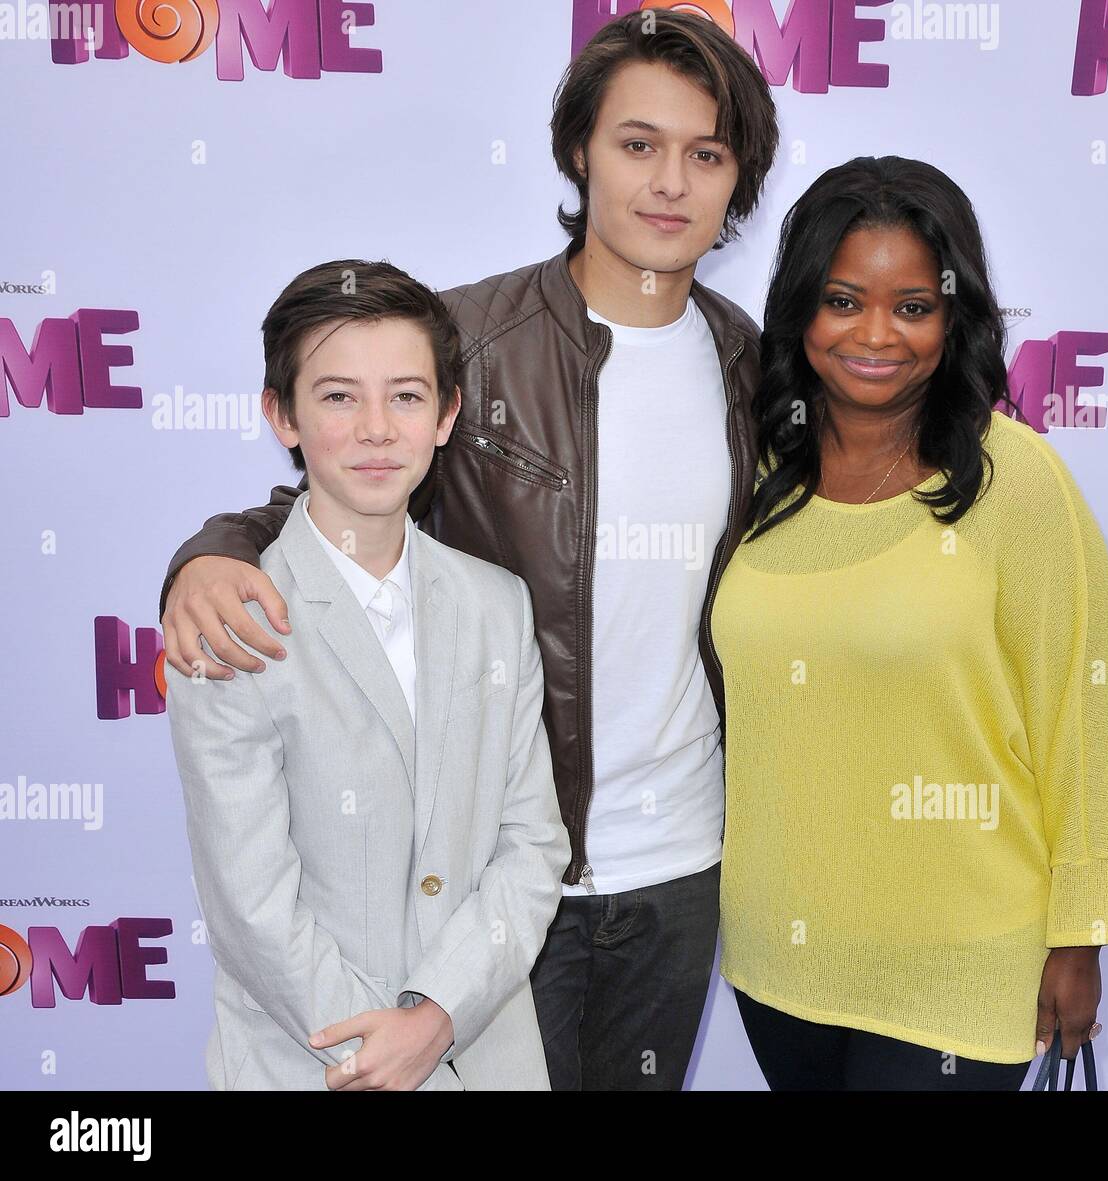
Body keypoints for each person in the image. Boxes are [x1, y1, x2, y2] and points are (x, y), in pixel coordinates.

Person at [156, 11, 779, 1090]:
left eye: (706, 153)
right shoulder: (474, 343)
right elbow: (342, 479)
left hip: (680, 866)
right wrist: (207, 555)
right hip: (492, 879)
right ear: (580, 152)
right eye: (637, 144)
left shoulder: (749, 367)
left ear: (737, 181)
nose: (669, 180)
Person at [710, 156, 1108, 1091]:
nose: (876, 335)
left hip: (960, 954)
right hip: (780, 955)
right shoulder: (754, 475)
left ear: (955, 318)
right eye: (844, 299)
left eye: (913, 306)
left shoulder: (1014, 480)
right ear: (799, 311)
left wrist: (1081, 932)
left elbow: (1080, 716)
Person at [163, 260, 570, 1090]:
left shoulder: (498, 603)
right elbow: (250, 905)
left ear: (449, 414)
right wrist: (375, 1052)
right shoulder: (229, 618)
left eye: (408, 396)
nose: (377, 428)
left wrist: (438, 1017)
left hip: (486, 1053)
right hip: (308, 1062)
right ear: (282, 414)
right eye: (340, 396)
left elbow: (533, 845)